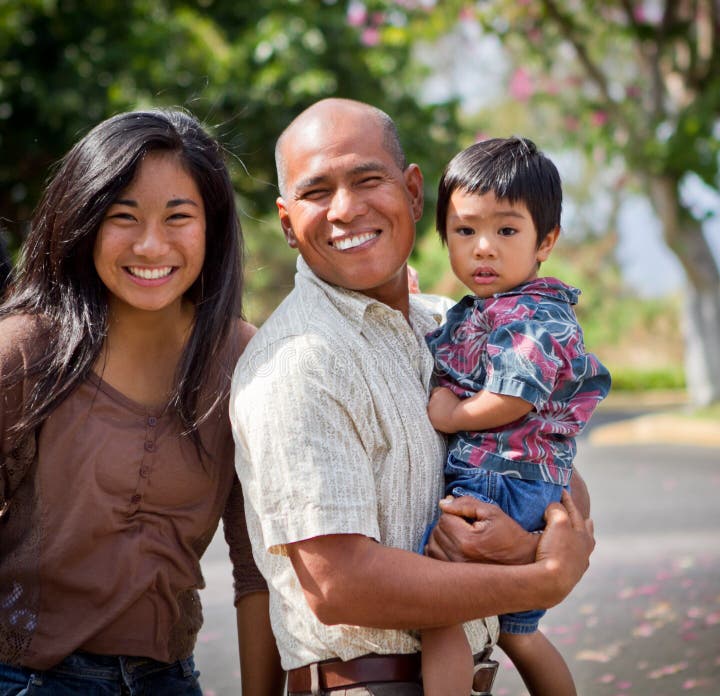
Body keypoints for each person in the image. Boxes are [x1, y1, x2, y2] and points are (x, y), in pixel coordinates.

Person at [230, 97, 595, 696]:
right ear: (287, 222)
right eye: (316, 192)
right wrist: (542, 579)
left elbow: (549, 459)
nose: (345, 209)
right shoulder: (297, 363)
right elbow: (339, 585)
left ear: (413, 194)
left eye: (367, 179)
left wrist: (526, 543)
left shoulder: (451, 326)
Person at [0, 108, 283, 695]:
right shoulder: (25, 350)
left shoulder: (244, 359)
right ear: (82, 221)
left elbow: (259, 567)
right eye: (122, 217)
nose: (151, 245)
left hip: (169, 681)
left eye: (178, 217)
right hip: (27, 679)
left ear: (213, 226)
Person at [419, 137, 611, 695]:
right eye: (464, 231)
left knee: (439, 612)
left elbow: (513, 397)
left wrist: (452, 415)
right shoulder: (487, 310)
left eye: (506, 231)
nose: (483, 248)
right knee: (518, 631)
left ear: (545, 241)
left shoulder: (533, 316)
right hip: (527, 482)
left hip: (497, 480)